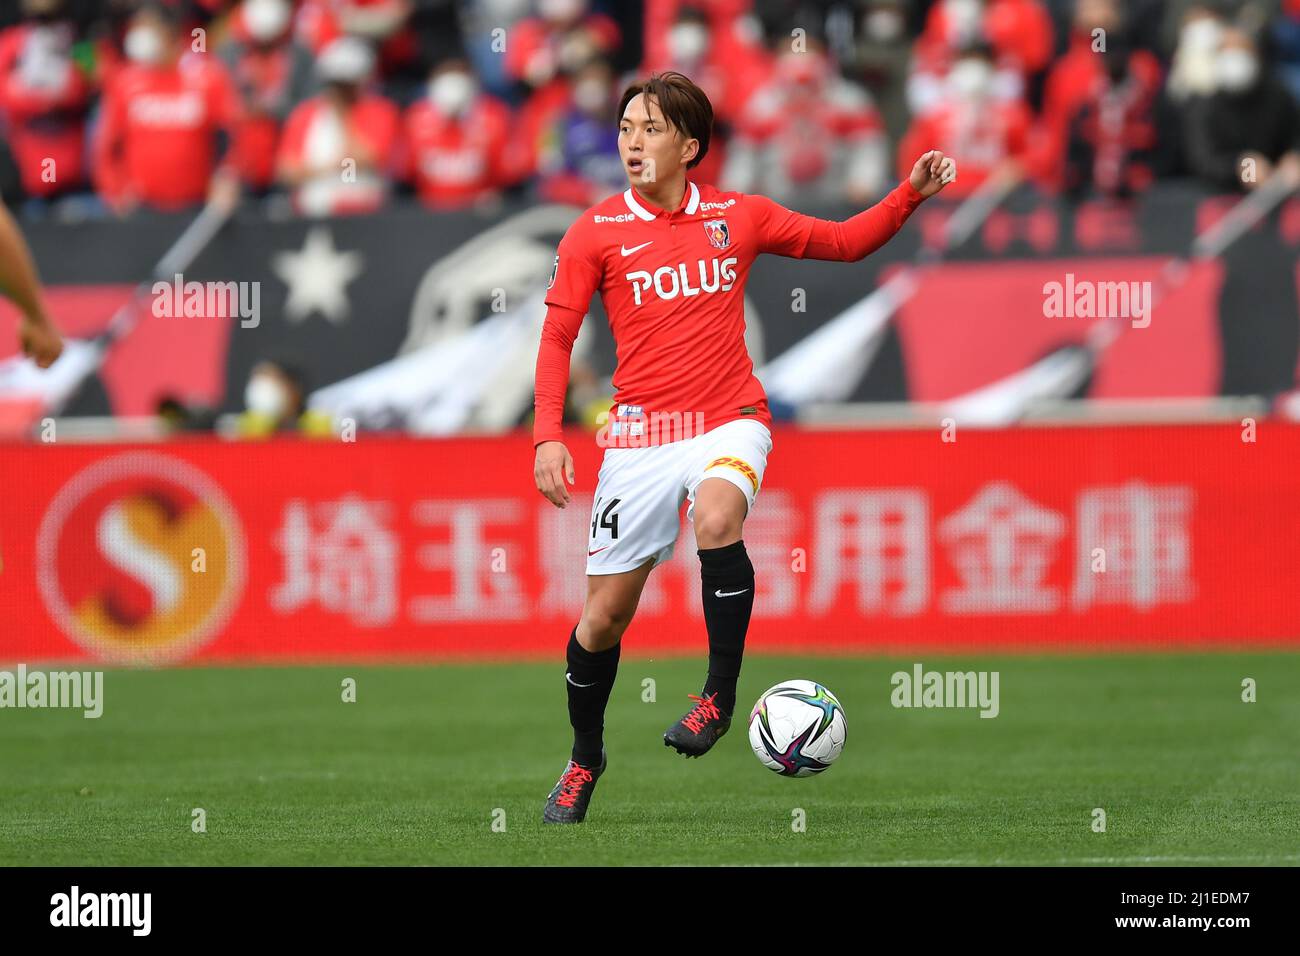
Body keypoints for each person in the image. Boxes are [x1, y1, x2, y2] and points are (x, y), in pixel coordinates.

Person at [532, 71, 955, 823]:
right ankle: (583, 759)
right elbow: (558, 334)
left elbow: (846, 242)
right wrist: (546, 437)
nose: (633, 142)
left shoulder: (740, 215)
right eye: (627, 128)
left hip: (730, 417)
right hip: (639, 437)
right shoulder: (592, 232)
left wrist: (909, 193)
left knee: (718, 520)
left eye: (651, 129)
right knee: (601, 622)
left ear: (690, 146)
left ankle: (717, 699)